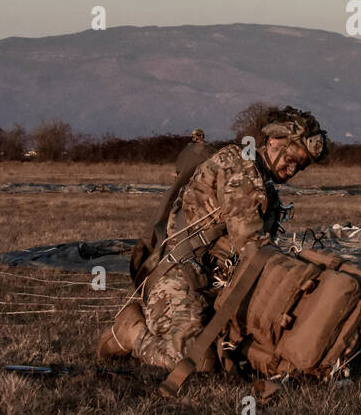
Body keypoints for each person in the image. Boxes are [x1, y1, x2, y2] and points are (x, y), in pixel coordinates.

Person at [97, 107, 328, 374]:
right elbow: (253, 248)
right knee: (192, 361)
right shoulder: (238, 169)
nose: (292, 169)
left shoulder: (266, 190)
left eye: (301, 165)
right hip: (180, 278)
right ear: (273, 141)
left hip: (219, 289)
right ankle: (130, 332)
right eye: (290, 158)